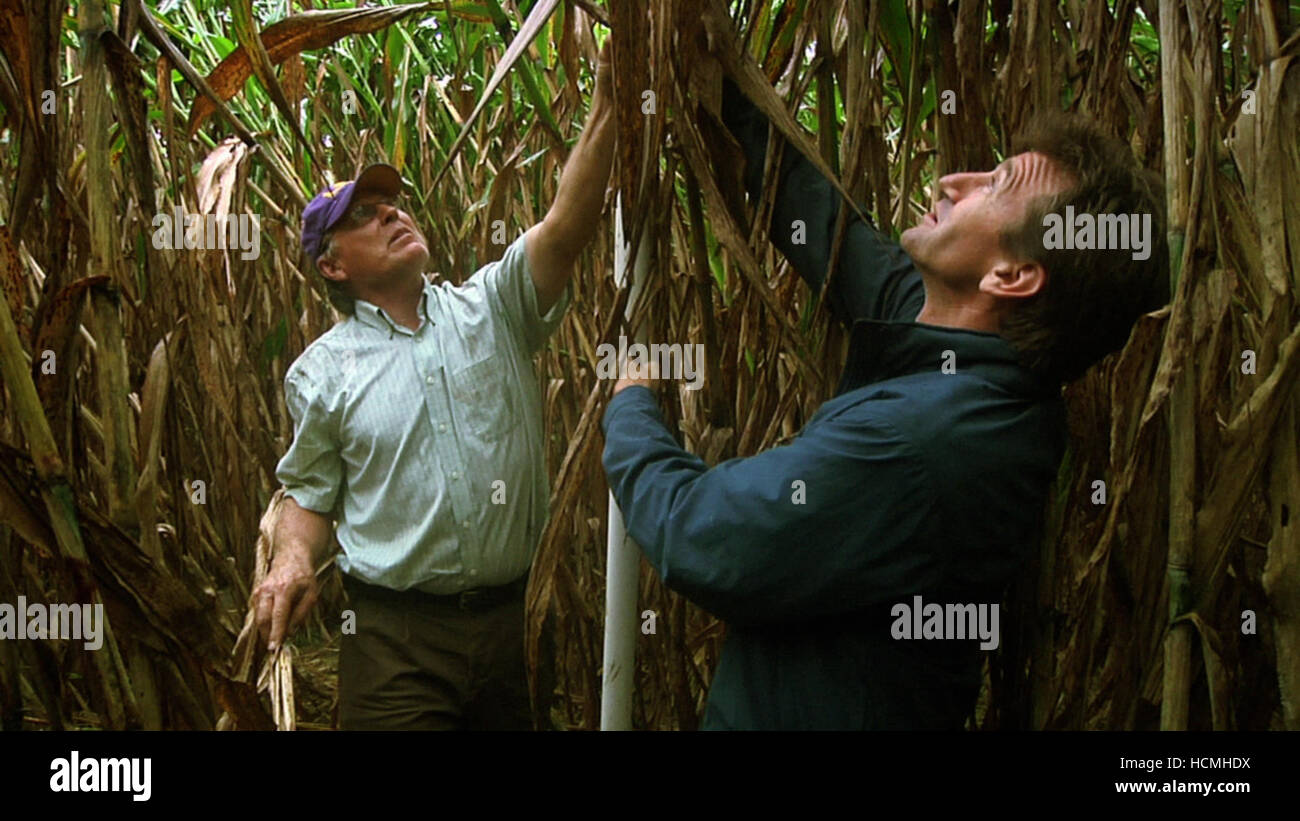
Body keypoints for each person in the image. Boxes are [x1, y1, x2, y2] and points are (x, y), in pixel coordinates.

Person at [600, 78, 1168, 729]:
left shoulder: (922, 446)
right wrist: (715, 81)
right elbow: (822, 225)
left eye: (995, 184)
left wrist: (631, 404)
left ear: (1010, 276)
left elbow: (699, 532)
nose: (952, 181)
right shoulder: (975, 365)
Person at [252, 47, 614, 730]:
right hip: (395, 644)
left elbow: (567, 226)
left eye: (392, 203)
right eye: (365, 215)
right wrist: (293, 557)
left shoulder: (495, 306)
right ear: (331, 265)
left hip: (516, 627)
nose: (391, 214)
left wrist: (611, 103)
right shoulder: (324, 370)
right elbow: (310, 490)